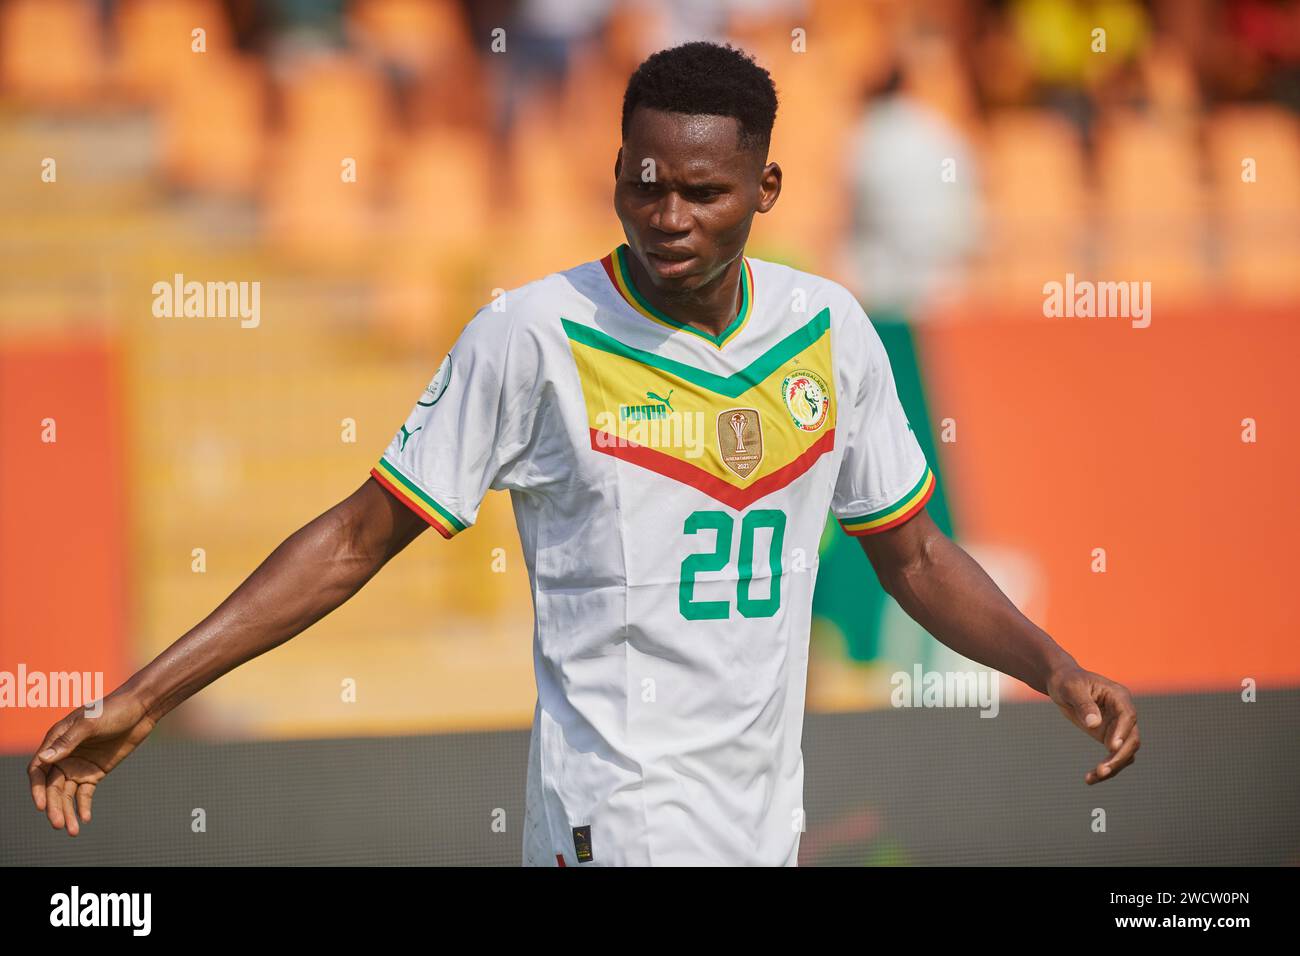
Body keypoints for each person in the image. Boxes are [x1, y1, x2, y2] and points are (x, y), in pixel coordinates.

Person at [28, 41, 1139, 866]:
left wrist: (1052, 665)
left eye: (702, 191)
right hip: (612, 815)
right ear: (614, 168)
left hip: (761, 814)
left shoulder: (829, 332)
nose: (666, 214)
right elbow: (358, 537)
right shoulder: (533, 335)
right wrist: (150, 691)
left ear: (765, 191)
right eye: (642, 181)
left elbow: (913, 555)